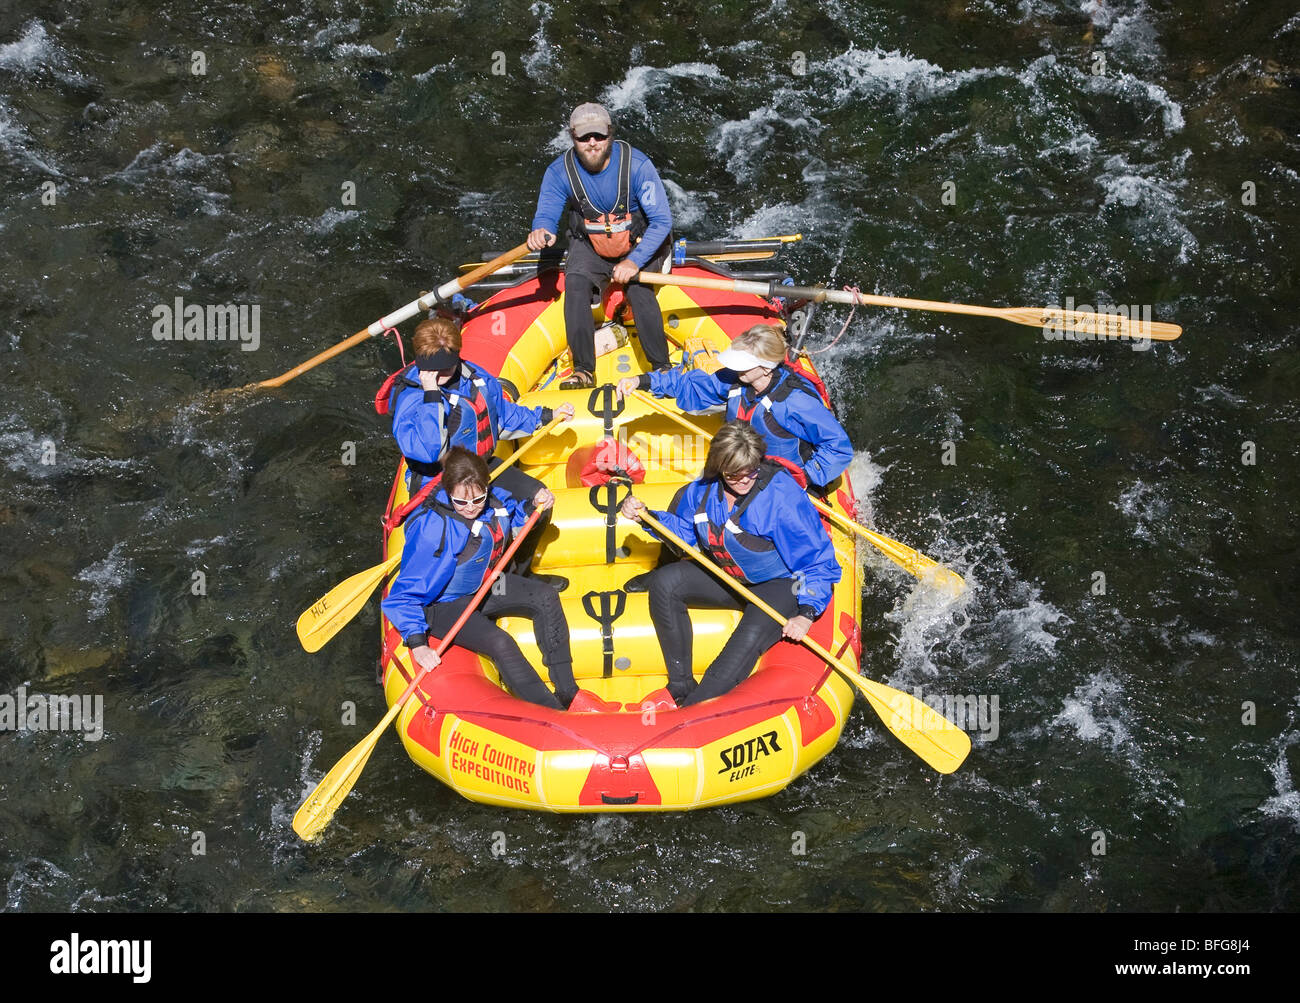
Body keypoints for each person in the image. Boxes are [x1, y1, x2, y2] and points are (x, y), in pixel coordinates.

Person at [620, 422, 840, 707]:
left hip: (779, 586)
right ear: (719, 468)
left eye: (752, 470)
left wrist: (807, 613)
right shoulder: (701, 492)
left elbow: (817, 560)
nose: (746, 479)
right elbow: (688, 535)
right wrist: (648, 518)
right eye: (736, 475)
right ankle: (681, 685)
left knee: (738, 651)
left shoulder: (781, 497)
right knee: (665, 583)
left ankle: (693, 711)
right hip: (730, 577)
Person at [382, 448, 580, 710]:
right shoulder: (434, 531)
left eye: (477, 500)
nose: (470, 508)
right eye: (461, 502)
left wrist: (533, 505)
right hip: (443, 605)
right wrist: (417, 643)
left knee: (545, 597)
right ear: (449, 492)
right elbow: (403, 595)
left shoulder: (493, 502)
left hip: (484, 586)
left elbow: (514, 513)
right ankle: (551, 711)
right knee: (500, 642)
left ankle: (568, 692)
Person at [383, 315, 573, 582]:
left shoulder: (476, 378)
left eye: (445, 370)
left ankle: (520, 575)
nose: (439, 377)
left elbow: (502, 415)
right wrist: (431, 396)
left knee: (540, 502)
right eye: (433, 372)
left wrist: (545, 416)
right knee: (470, 531)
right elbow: (428, 451)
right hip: (438, 479)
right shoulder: (412, 397)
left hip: (481, 464)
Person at [527, 102, 674, 388]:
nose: (592, 143)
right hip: (591, 245)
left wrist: (634, 261)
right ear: (573, 137)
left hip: (639, 243)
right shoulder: (559, 172)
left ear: (610, 133)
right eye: (583, 137)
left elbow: (661, 221)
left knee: (638, 288)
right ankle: (583, 370)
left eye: (598, 136)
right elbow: (545, 215)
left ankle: (662, 368)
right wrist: (540, 232)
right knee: (576, 284)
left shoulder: (638, 166)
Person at [617, 322, 853, 490]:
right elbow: (691, 386)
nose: (737, 369)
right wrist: (642, 381)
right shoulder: (737, 381)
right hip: (742, 471)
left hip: (782, 482)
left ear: (766, 368)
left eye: (744, 365)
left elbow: (838, 447)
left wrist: (806, 477)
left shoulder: (796, 402)